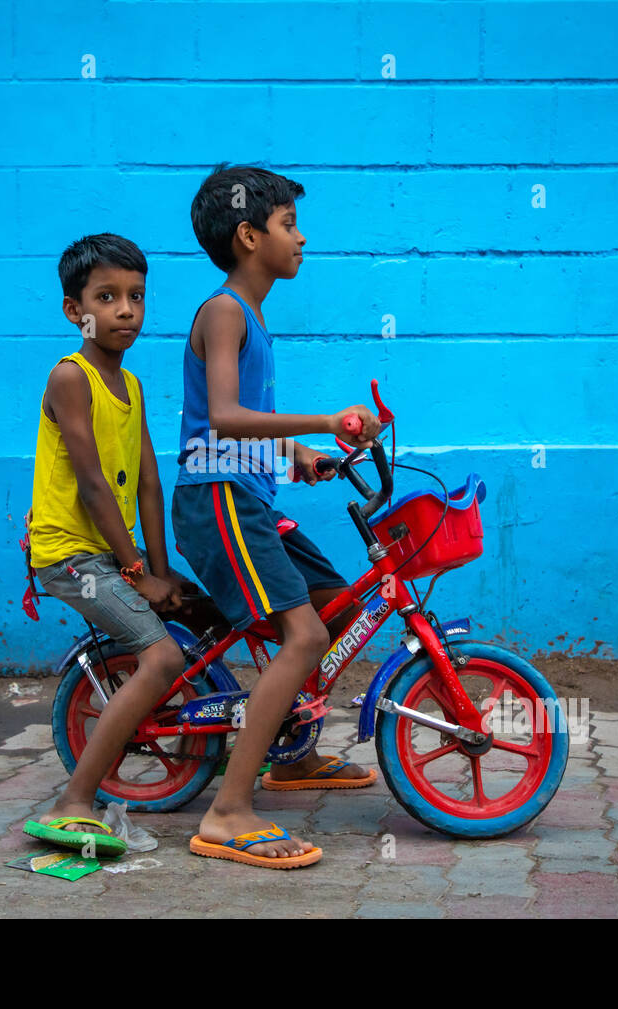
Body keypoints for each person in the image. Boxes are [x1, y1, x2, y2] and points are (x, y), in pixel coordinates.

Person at [171, 165, 384, 868]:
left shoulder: (251, 315)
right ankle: (228, 810)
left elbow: (235, 423)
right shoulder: (226, 310)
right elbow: (227, 418)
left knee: (338, 608)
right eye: (290, 224)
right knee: (301, 636)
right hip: (219, 503)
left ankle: (291, 753)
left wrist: (303, 454)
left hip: (249, 498)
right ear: (248, 235)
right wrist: (325, 418)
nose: (302, 237)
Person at [22, 233, 194, 857]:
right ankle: (73, 801)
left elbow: (148, 478)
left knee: (196, 612)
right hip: (71, 554)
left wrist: (160, 571)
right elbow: (94, 484)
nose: (126, 310)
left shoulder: (134, 385)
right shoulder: (72, 377)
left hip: (110, 553)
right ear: (75, 310)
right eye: (108, 297)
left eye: (137, 297)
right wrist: (132, 568)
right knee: (164, 659)